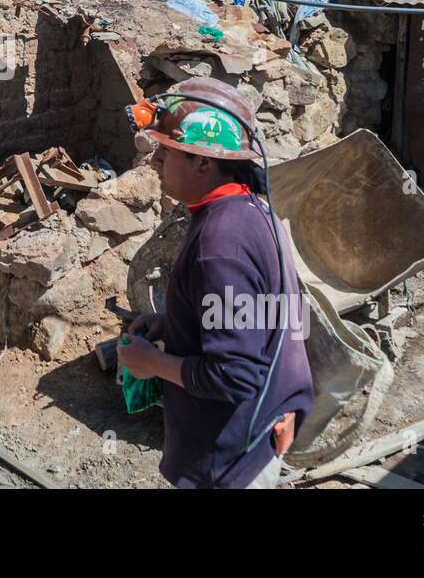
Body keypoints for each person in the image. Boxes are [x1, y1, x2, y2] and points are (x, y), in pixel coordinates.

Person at [117, 77, 313, 490]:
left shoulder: (221, 244)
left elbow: (236, 374)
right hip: (257, 432)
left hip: (231, 458)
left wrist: (153, 364)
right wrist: (174, 321)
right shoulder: (248, 208)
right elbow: (253, 315)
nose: (153, 162)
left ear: (204, 162)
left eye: (167, 152)